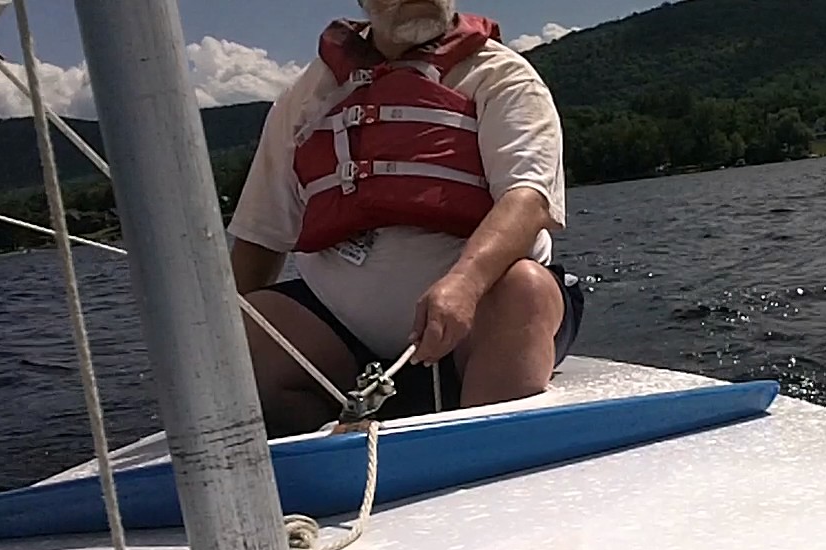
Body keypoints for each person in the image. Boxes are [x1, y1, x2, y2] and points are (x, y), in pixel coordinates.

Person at [226, 0, 584, 439]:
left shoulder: (503, 76)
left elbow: (527, 200)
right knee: (245, 324)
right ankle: (336, 469)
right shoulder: (307, 96)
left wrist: (465, 283)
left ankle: (482, 459)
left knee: (523, 290)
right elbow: (260, 236)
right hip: (343, 333)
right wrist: (218, 352)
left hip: (478, 324)